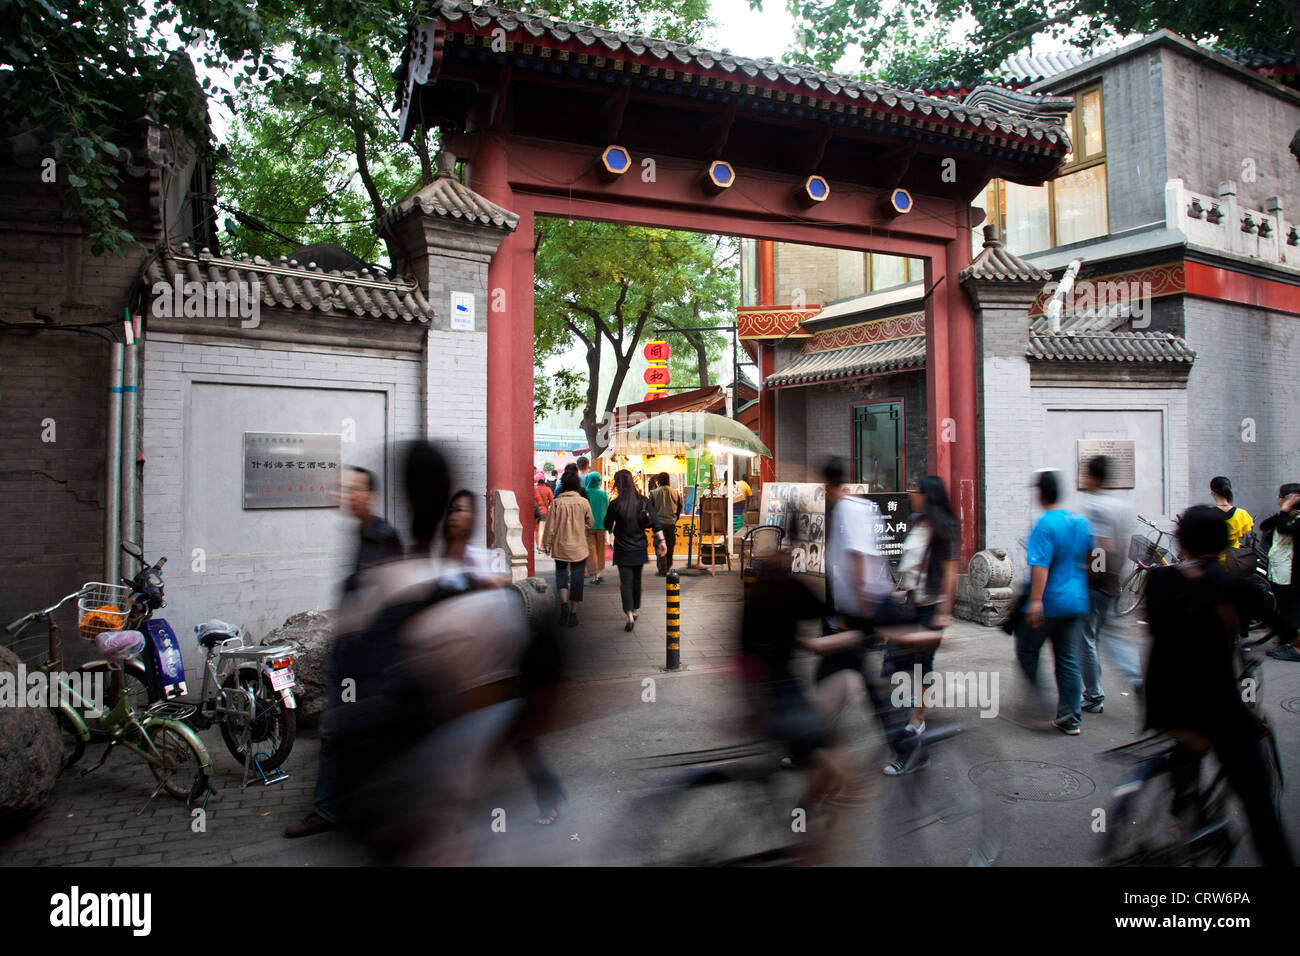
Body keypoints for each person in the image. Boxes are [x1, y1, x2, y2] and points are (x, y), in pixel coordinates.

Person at [1142, 505, 1297, 866]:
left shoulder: (1158, 581)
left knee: (1185, 747)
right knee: (1258, 803)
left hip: (1163, 703)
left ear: (1181, 541)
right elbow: (1286, 632)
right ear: (1225, 543)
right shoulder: (1236, 587)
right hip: (1216, 707)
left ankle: (1186, 815)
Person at [880, 475, 958, 757]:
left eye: (916, 490)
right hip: (910, 602)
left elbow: (950, 573)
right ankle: (900, 708)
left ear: (929, 495)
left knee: (923, 662)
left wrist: (944, 612)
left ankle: (918, 719)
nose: (912, 493)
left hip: (931, 605)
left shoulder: (944, 527)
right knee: (893, 657)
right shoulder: (915, 521)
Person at [1019, 469, 1092, 735]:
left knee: (1026, 650)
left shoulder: (1044, 524)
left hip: (1050, 601)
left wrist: (1036, 601)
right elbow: (1089, 559)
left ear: (1040, 493)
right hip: (1076, 600)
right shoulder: (1080, 522)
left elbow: (1040, 567)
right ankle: (1071, 717)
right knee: (1068, 658)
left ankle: (1039, 701)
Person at [1077, 456, 1142, 713]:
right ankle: (1137, 677)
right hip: (1113, 580)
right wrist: (1115, 576)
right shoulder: (1121, 505)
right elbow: (1124, 545)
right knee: (1114, 636)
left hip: (1097, 584)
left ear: (1092, 477)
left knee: (1087, 639)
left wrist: (1091, 576)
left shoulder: (1095, 506)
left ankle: (1093, 694)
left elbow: (1103, 546)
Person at [604, 468, 667, 631]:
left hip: (622, 549)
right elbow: (655, 523)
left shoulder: (615, 504)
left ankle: (629, 617)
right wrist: (662, 541)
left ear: (617, 484)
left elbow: (606, 525)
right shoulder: (643, 501)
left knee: (625, 582)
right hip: (639, 547)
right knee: (637, 581)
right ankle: (635, 609)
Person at [340, 465, 404, 595]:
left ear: (370, 495)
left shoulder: (384, 535)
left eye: (356, 489)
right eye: (348, 490)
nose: (351, 496)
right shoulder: (362, 530)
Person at [543, 469, 593, 627]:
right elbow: (590, 523)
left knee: (561, 575)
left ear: (563, 485)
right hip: (579, 547)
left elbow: (550, 527)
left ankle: (563, 605)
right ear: (577, 485)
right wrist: (581, 528)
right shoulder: (583, 502)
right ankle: (573, 613)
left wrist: (546, 545)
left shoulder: (557, 503)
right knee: (577, 579)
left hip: (561, 546)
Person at [1263, 482, 1300, 661]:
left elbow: (1284, 529)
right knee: (1284, 606)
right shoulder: (1284, 516)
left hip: (1290, 570)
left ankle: (1294, 646)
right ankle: (1287, 641)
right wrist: (1283, 513)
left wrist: (1285, 510)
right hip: (1278, 567)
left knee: (1291, 608)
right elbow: (1265, 525)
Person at [442, 489, 499, 580]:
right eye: (450, 511)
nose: (453, 517)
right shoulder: (437, 564)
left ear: (473, 518)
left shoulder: (487, 559)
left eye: (459, 510)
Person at [1211, 476, 1254, 575]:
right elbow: (1243, 536)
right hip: (1234, 560)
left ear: (1212, 493)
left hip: (1214, 561)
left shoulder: (1208, 514)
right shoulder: (1242, 514)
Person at [650, 472, 682, 576]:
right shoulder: (675, 493)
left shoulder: (654, 493)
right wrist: (675, 518)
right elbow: (679, 508)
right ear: (668, 480)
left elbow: (650, 509)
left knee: (659, 546)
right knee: (670, 545)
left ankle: (662, 570)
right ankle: (668, 566)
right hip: (671, 523)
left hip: (659, 524)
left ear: (658, 481)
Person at [584, 471, 609, 585]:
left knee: (591, 550)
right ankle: (599, 573)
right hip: (601, 525)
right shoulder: (603, 494)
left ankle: (594, 575)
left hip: (589, 526)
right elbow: (607, 509)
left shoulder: (585, 493)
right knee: (600, 550)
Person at [534, 472, 553, 554]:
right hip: (544, 511)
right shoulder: (548, 489)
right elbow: (552, 500)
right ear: (544, 479)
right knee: (542, 530)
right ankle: (540, 548)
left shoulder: (533, 488)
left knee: (536, 530)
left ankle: (538, 547)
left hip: (535, 512)